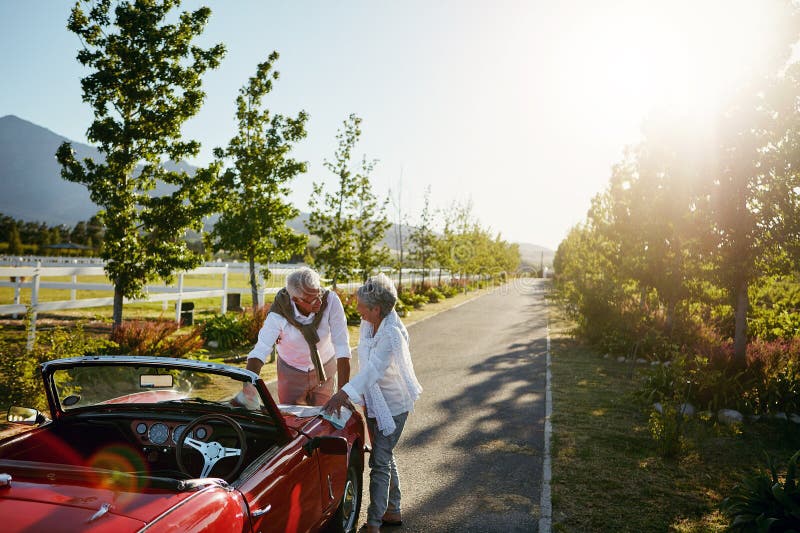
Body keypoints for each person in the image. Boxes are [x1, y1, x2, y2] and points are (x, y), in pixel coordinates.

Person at [324, 273, 422, 533]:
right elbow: (366, 367)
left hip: (393, 406)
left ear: (376, 309)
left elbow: (373, 370)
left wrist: (343, 393)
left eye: (362, 306)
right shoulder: (369, 324)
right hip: (373, 402)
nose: (357, 309)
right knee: (383, 456)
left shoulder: (391, 334)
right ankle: (393, 510)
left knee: (379, 462)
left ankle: (375, 523)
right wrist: (359, 397)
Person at [239, 267, 351, 407]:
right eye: (311, 300)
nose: (319, 302)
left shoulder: (331, 301)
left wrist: (342, 394)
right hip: (291, 372)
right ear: (295, 300)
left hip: (325, 367)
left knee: (324, 417)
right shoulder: (278, 312)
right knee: (290, 417)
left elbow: (342, 346)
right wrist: (248, 388)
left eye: (319, 294)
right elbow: (260, 350)